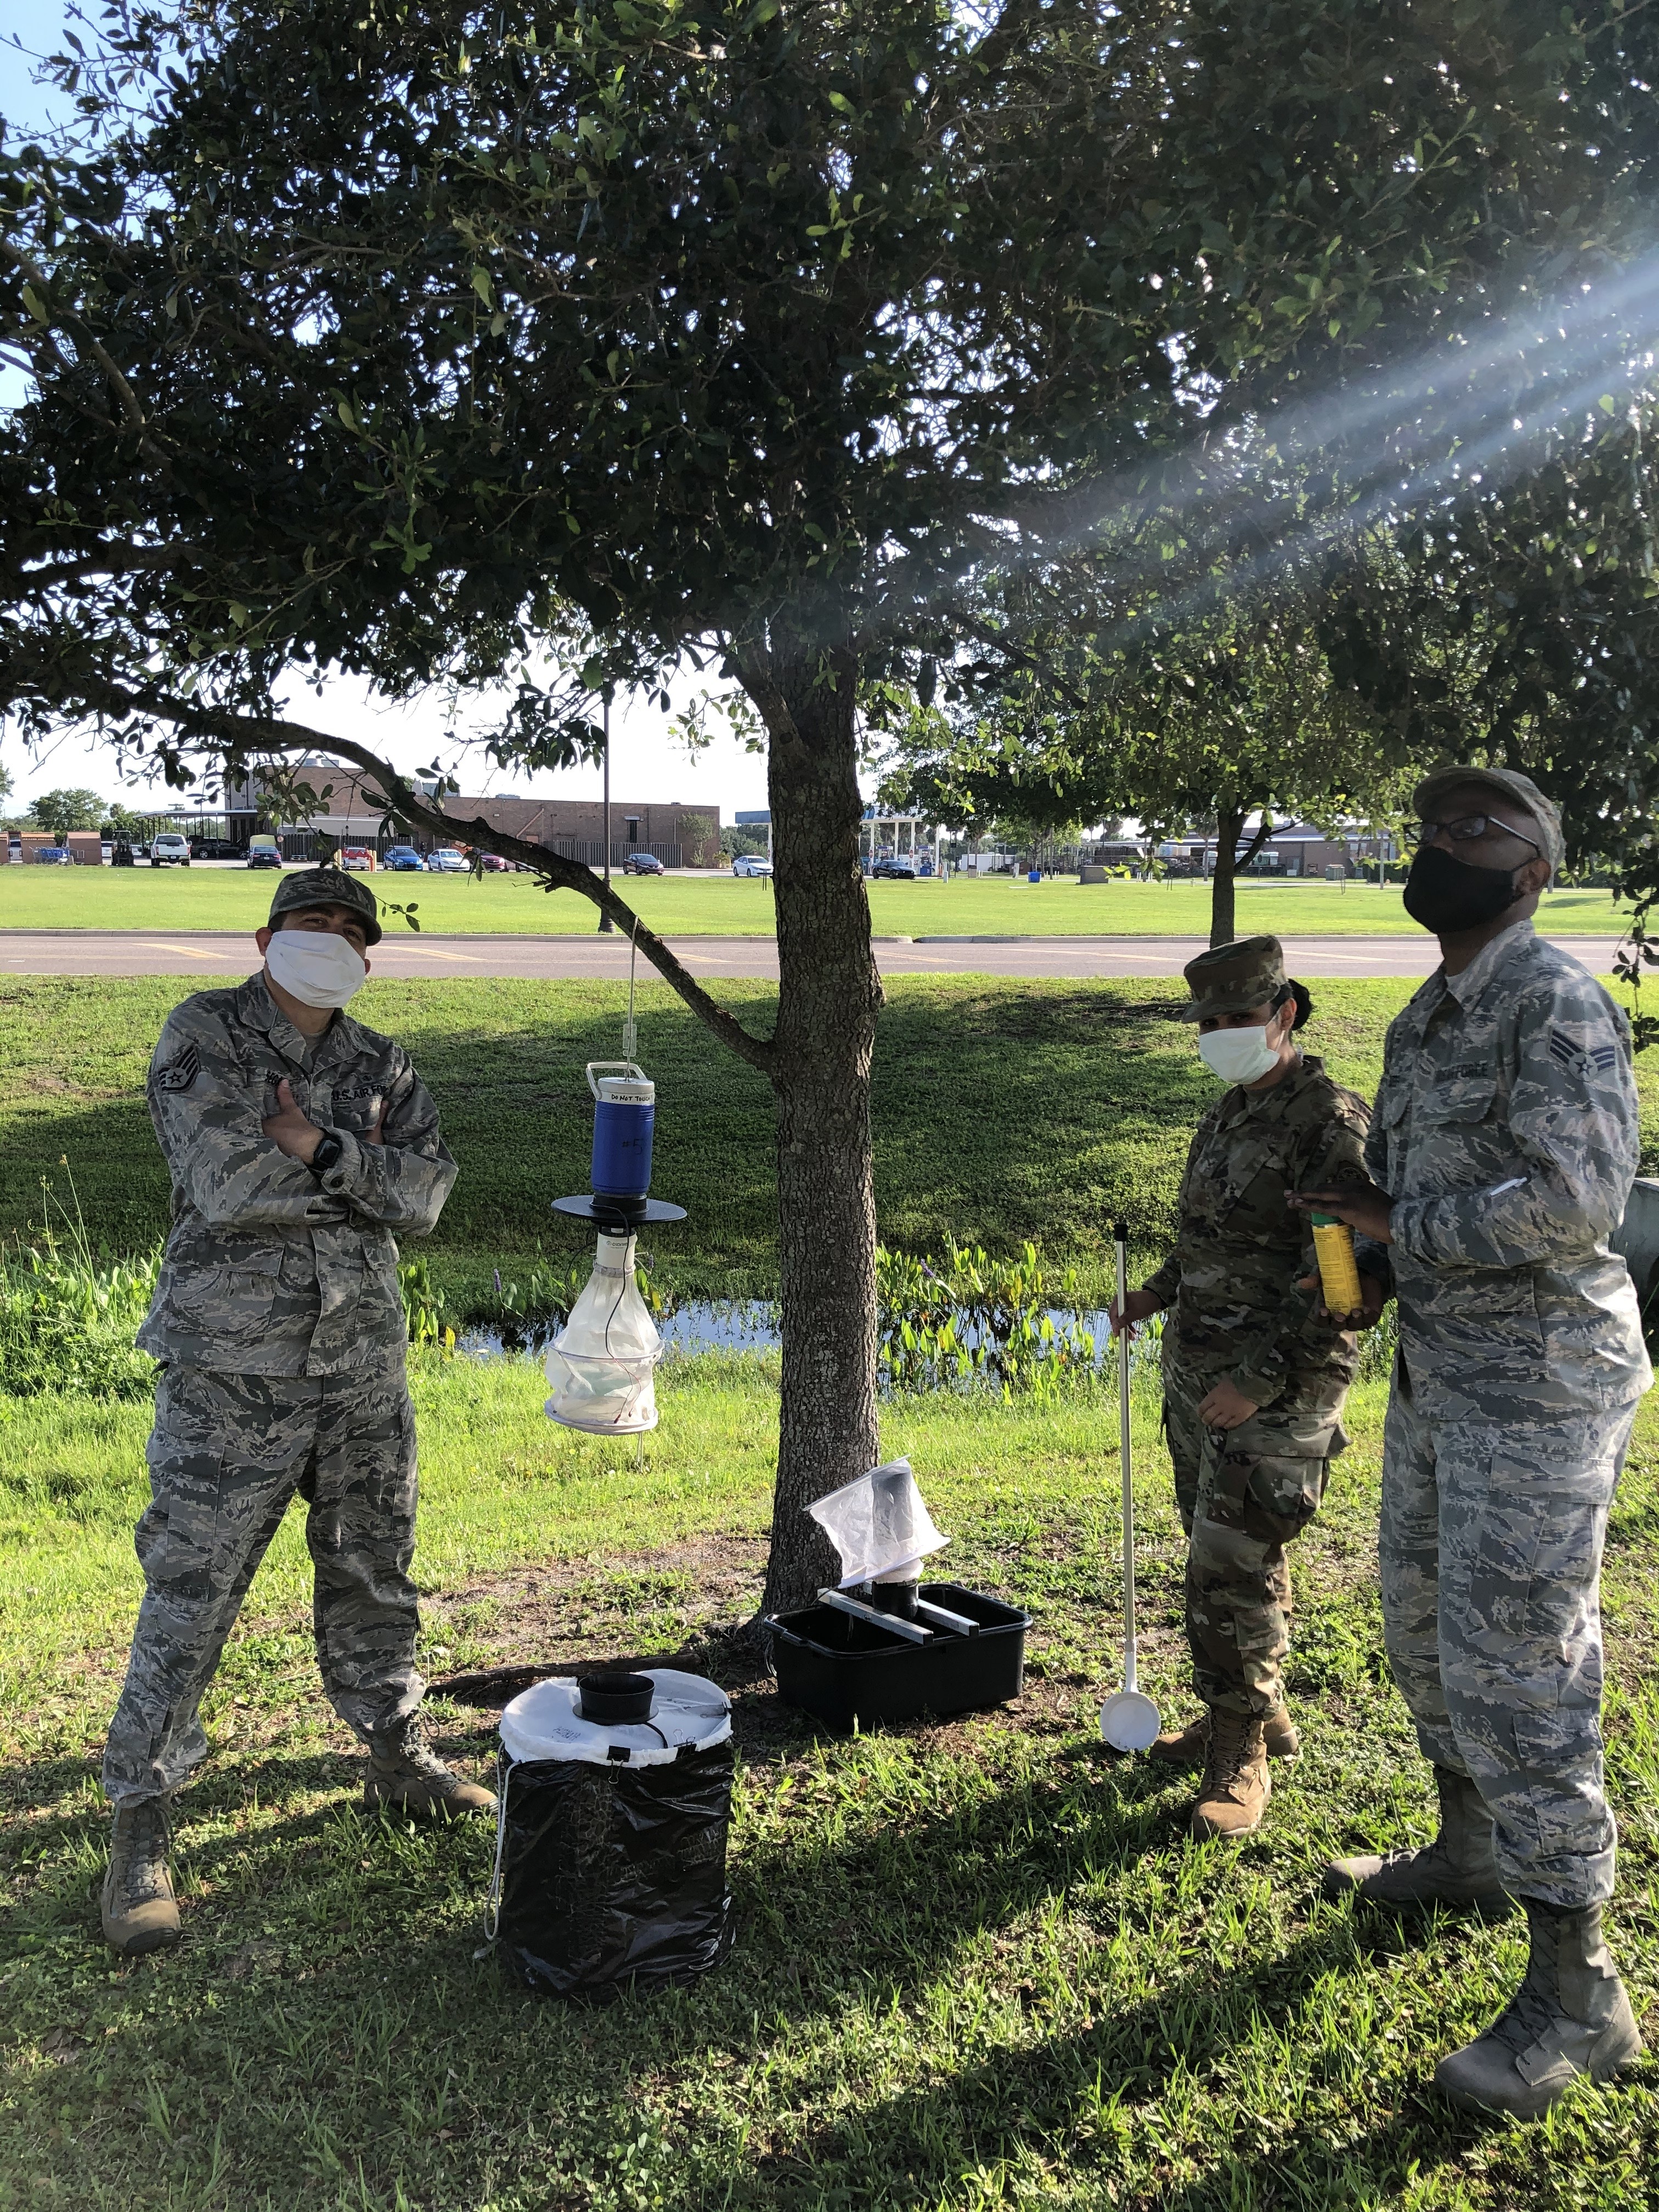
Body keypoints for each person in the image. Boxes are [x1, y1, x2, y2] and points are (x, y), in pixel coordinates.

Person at [1294, 766, 1650, 2119]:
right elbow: (1410, 1190)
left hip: (1545, 1383)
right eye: (1433, 830)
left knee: (1519, 1665)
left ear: (1534, 868)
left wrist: (1399, 1233)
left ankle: (1582, 1997)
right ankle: (1471, 1850)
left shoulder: (1554, 999)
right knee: (1422, 1622)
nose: (1444, 847)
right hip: (1444, 1372)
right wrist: (1366, 1250)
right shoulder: (1426, 1018)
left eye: (1477, 833)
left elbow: (1576, 1202)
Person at [100, 866, 492, 1961]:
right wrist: (366, 1175)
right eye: (310, 923)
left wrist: (317, 1147)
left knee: (376, 1570)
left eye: (348, 930)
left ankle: (396, 1754)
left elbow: (430, 1195)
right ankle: (140, 1821)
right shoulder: (205, 1033)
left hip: (361, 1366)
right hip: (233, 1372)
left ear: (368, 954)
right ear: (267, 934)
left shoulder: (381, 1063)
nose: (329, 940)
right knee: (194, 1592)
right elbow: (225, 1185)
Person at [1111, 936, 1370, 1839]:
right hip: (1198, 1373)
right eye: (1210, 1022)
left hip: (1278, 1388)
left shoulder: (1329, 1122)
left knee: (1230, 1564)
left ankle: (1240, 1751)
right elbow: (1208, 1236)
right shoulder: (1229, 1113)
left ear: (1285, 1013)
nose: (1222, 1034)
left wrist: (1260, 1384)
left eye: (1238, 1019)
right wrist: (1154, 1292)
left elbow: (1343, 1279)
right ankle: (1263, 1712)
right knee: (1232, 1554)